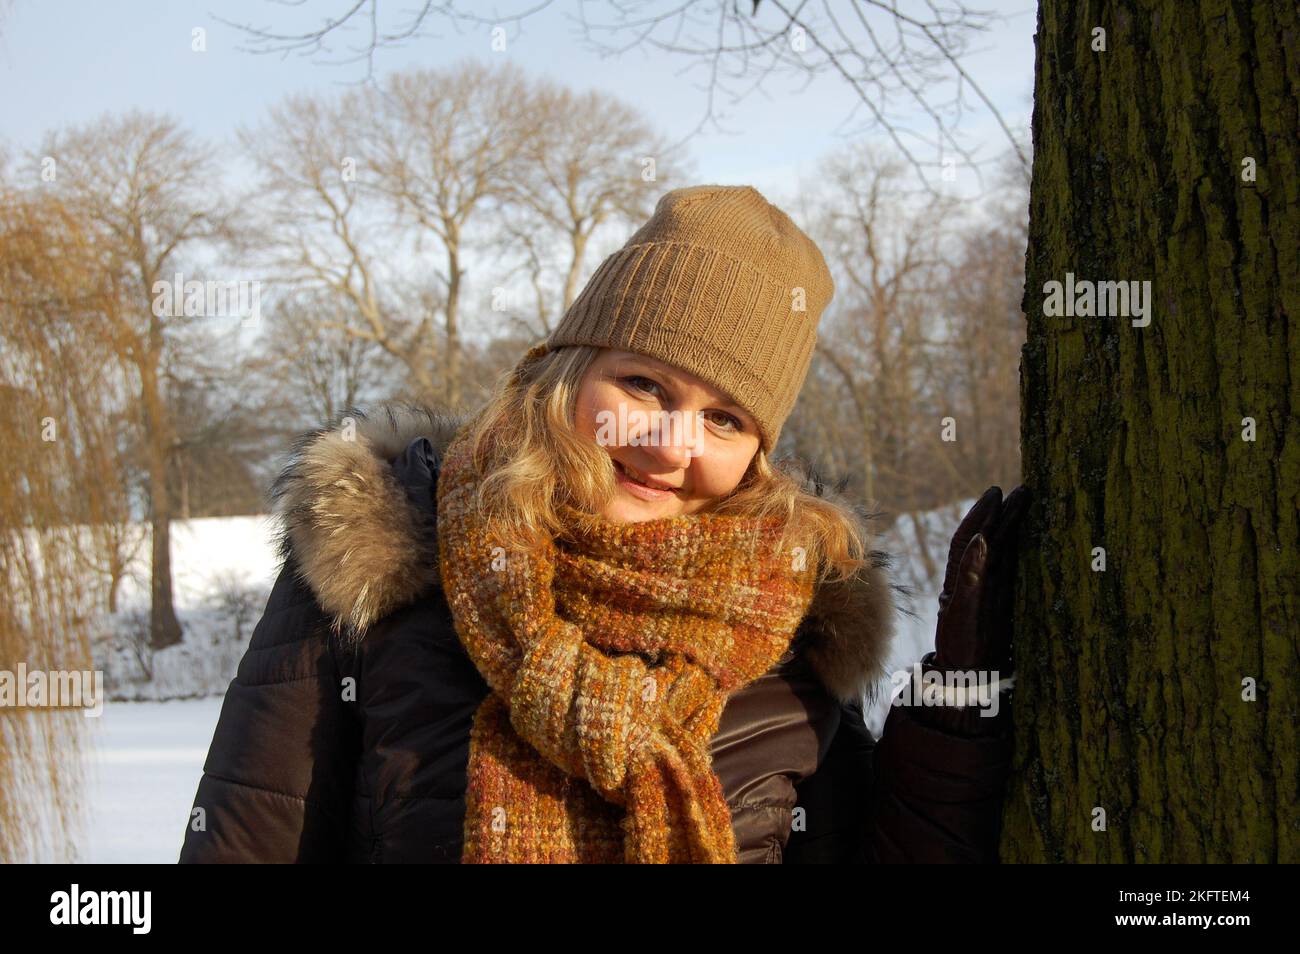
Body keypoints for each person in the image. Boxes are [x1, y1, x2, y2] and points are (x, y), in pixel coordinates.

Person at [178, 184, 1025, 864]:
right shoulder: (384, 556)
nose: (668, 444)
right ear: (571, 373)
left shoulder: (786, 631)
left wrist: (954, 714)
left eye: (725, 420)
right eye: (645, 385)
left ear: (759, 454)